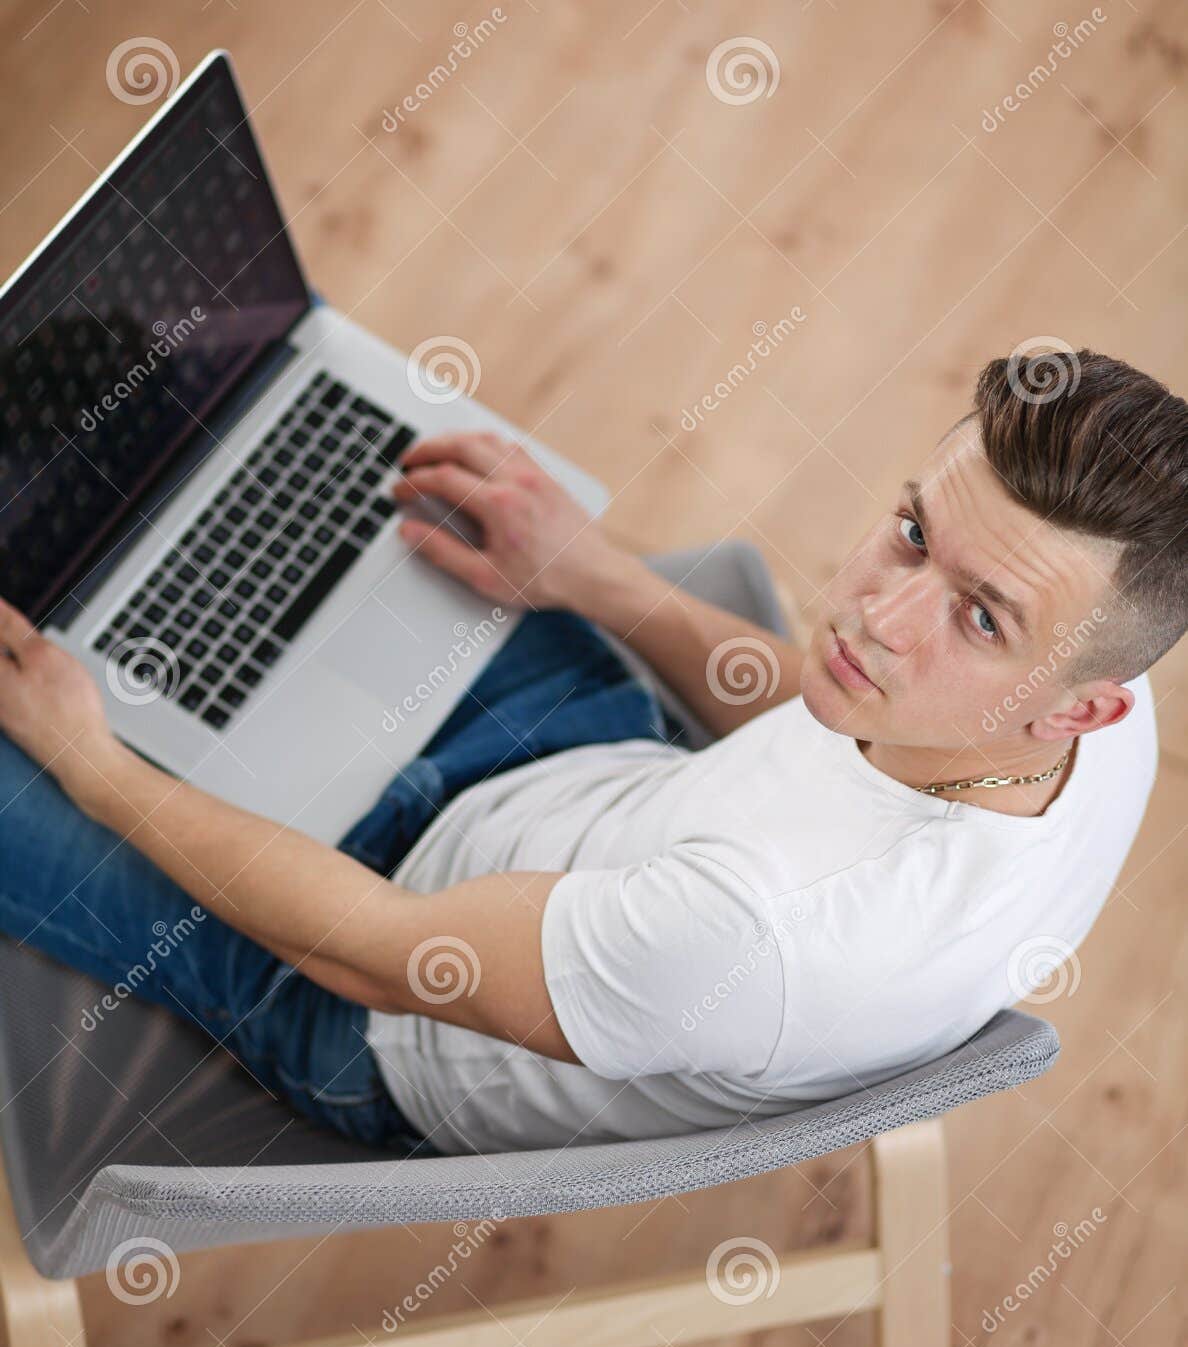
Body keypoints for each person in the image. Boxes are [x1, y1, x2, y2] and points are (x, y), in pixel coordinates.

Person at [0, 348, 1180, 1156]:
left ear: (1078, 711)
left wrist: (96, 764)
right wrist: (592, 572)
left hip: (375, 1001)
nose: (880, 614)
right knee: (191, 405)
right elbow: (832, 717)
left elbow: (372, 952)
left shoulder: (763, 941)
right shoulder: (1084, 678)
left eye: (979, 617)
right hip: (587, 769)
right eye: (914, 532)